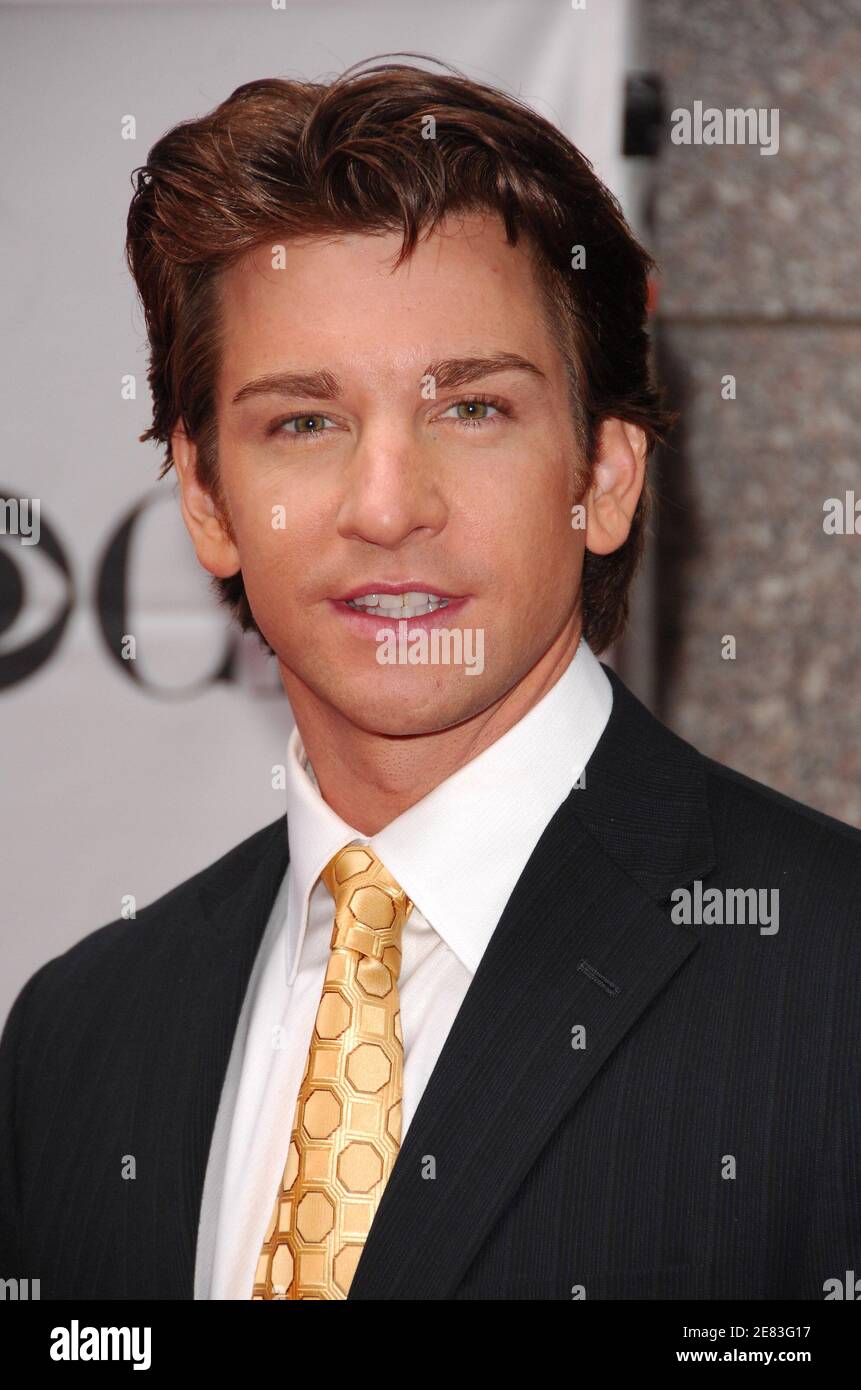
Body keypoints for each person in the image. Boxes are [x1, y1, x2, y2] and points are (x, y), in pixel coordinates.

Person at [1, 57, 858, 1302]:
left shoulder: (831, 987)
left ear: (606, 478)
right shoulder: (78, 1041)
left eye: (471, 408)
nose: (388, 506)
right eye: (304, 421)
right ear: (206, 499)